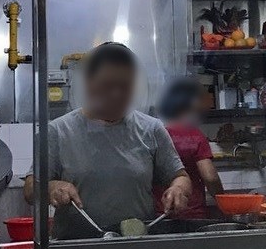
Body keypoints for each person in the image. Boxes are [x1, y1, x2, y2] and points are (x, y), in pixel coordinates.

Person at [24, 42, 191, 235]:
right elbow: (29, 189)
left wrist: (179, 189)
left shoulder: (151, 129)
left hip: (137, 247)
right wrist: (51, 187)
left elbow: (180, 177)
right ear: (88, 82)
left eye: (125, 86)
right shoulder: (57, 131)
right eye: (108, 85)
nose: (117, 94)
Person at [156, 78, 224, 219]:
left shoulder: (156, 133)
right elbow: (210, 177)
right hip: (192, 214)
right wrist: (223, 201)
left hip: (160, 216)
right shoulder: (195, 136)